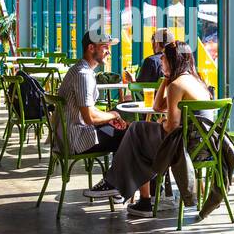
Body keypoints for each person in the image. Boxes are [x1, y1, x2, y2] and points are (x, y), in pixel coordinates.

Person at [91, 40, 214, 217]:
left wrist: (162, 123)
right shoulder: (196, 81)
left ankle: (121, 187)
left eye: (163, 57)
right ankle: (140, 197)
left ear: (172, 60)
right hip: (204, 146)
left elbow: (171, 126)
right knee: (139, 136)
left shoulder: (177, 85)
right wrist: (165, 77)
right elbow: (157, 108)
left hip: (187, 147)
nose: (160, 60)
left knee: (136, 132)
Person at [63, 30, 128, 176]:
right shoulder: (83, 75)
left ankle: (115, 184)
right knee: (127, 136)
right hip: (77, 140)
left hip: (71, 136)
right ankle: (114, 184)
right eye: (105, 47)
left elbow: (90, 110)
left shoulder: (81, 70)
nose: (109, 52)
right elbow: (90, 118)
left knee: (121, 131)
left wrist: (111, 117)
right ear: (91, 48)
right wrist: (113, 114)